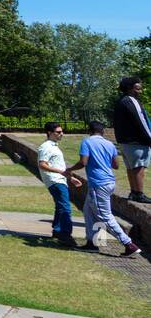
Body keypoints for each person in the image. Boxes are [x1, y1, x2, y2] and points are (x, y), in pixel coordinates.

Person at [67, 120, 141, 257]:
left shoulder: (87, 142)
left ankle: (129, 244)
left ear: (90, 131)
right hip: (109, 182)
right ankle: (93, 243)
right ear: (103, 131)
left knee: (104, 215)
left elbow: (83, 162)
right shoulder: (109, 144)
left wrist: (69, 169)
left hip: (98, 184)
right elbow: (116, 165)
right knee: (88, 211)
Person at [36, 122, 77, 248]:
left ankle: (58, 231)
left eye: (61, 131)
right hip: (55, 181)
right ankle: (65, 235)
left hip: (59, 179)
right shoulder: (46, 146)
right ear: (49, 133)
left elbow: (58, 165)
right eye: (58, 132)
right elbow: (42, 164)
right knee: (65, 207)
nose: (61, 134)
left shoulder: (54, 146)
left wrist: (70, 177)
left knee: (60, 206)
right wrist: (61, 173)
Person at [111, 76, 151, 205]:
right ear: (130, 88)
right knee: (139, 167)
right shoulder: (131, 101)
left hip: (124, 141)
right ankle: (139, 193)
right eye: (138, 88)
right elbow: (141, 121)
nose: (140, 91)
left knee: (131, 167)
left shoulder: (121, 101)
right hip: (136, 142)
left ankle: (134, 192)